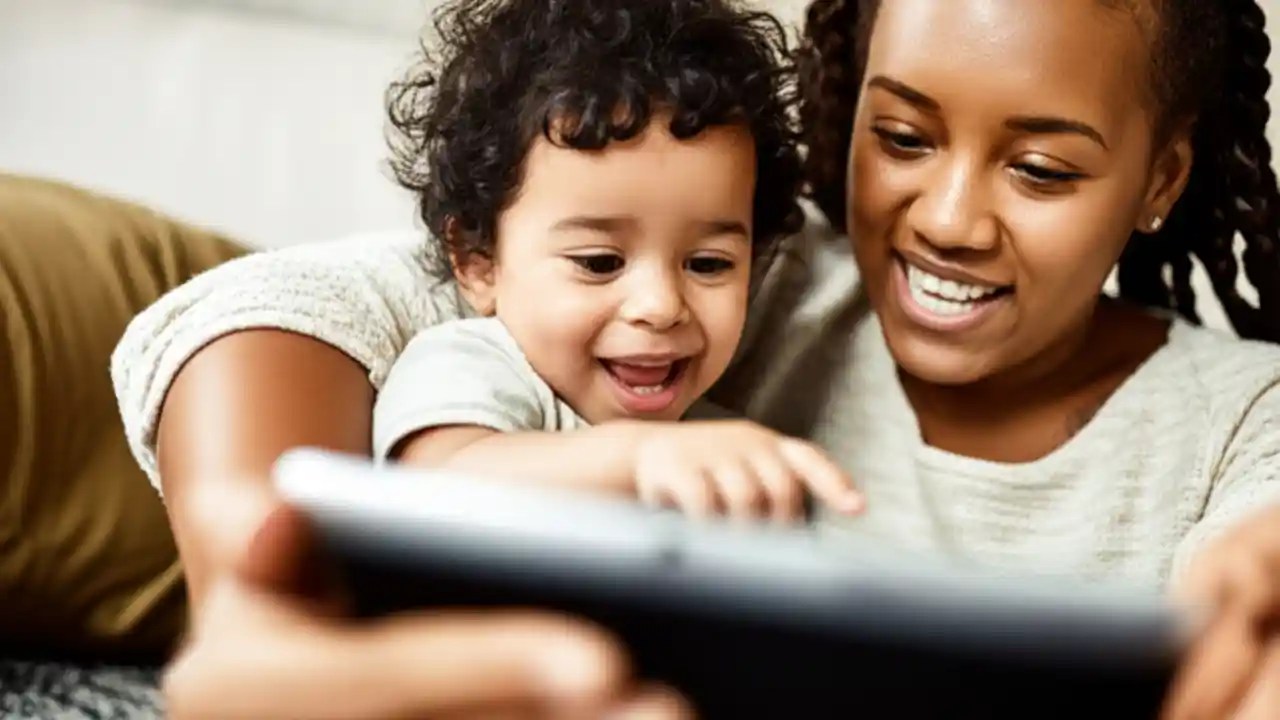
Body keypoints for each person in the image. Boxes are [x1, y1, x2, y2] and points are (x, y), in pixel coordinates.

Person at [111, 0, 1280, 718]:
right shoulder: (753, 269)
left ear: (1161, 180)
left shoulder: (1242, 417)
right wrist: (254, 564)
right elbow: (310, 297)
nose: (950, 221)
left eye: (1040, 170)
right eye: (901, 137)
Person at [370, 0, 861, 521]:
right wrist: (641, 457)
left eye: (708, 264)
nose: (660, 306)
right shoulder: (475, 365)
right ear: (479, 260)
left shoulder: (710, 440)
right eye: (600, 262)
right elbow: (437, 480)